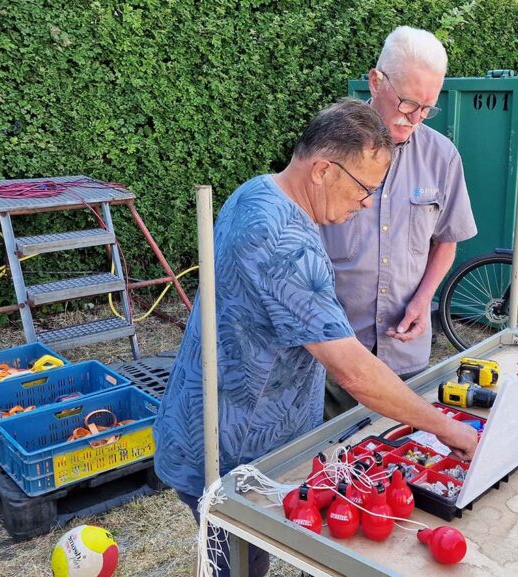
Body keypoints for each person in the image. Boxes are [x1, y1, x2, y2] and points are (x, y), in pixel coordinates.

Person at [154, 99, 479, 577]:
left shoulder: (257, 191)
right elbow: (351, 370)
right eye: (365, 188)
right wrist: (446, 427)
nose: (367, 202)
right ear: (323, 169)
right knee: (239, 564)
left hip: (227, 428)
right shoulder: (282, 238)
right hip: (230, 452)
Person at [322, 26, 478, 419]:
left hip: (405, 357)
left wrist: (423, 300)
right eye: (408, 103)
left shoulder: (443, 157)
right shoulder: (328, 147)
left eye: (428, 108)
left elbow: (446, 240)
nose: (415, 119)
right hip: (332, 356)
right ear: (376, 82)